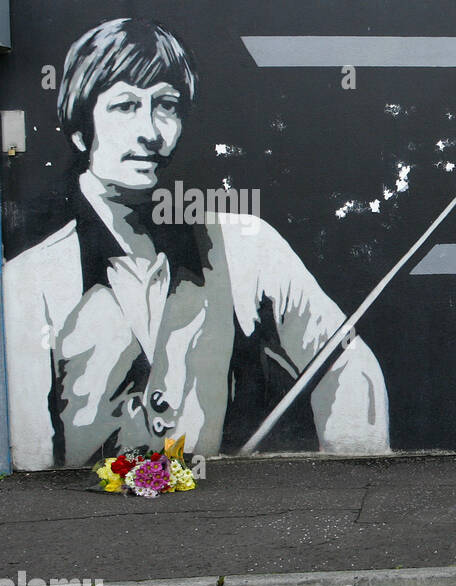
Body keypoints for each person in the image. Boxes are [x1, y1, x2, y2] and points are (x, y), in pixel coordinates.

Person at [2, 18, 389, 470]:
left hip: (216, 525)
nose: (150, 130)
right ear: (80, 128)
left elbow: (344, 361)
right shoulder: (30, 280)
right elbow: (30, 459)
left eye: (165, 106)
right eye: (125, 106)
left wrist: (349, 477)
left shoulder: (245, 244)